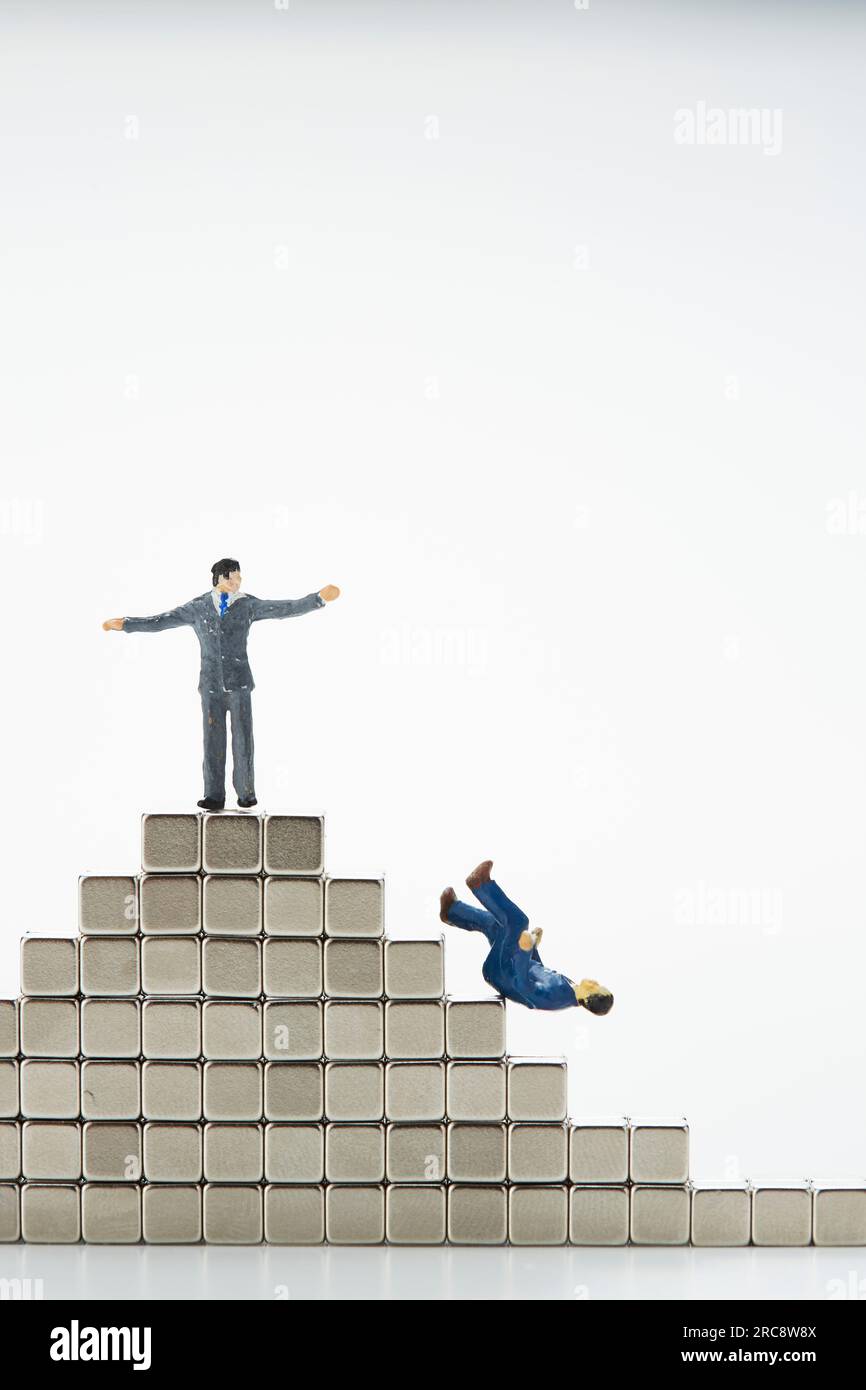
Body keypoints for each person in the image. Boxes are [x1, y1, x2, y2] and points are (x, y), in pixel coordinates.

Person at [103, 558, 340, 810]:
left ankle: (246, 793)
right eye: (231, 577)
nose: (236, 582)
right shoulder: (198, 607)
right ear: (218, 579)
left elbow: (283, 608)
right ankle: (214, 795)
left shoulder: (247, 605)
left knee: (243, 740)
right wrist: (127, 624)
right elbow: (162, 620)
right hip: (211, 686)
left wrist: (318, 598)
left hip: (239, 684)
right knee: (212, 740)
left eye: (239, 577)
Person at [440, 860, 614, 1014]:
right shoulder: (569, 988)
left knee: (517, 921)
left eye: (595, 988)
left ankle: (480, 885)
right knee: (496, 925)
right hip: (509, 965)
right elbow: (536, 968)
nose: (593, 983)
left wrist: (524, 950)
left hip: (502, 972)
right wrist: (532, 946)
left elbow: (523, 985)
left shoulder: (557, 998)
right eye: (597, 984)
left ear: (588, 999)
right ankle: (452, 911)